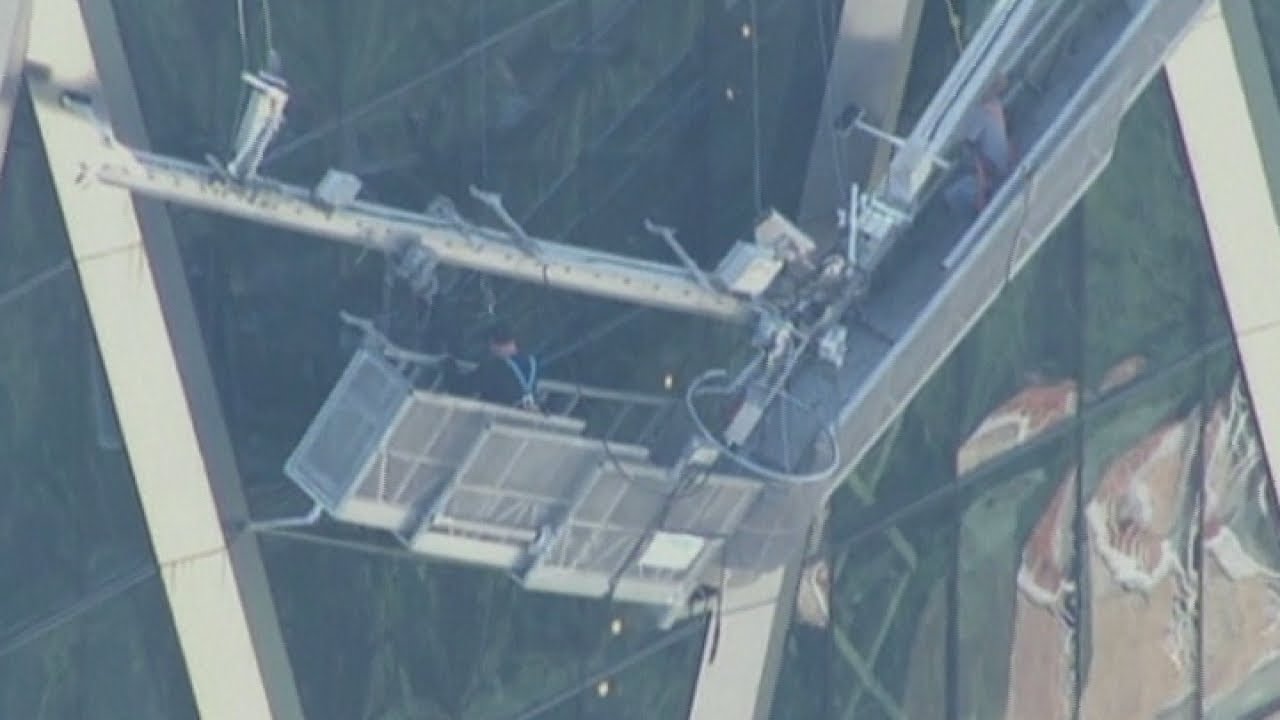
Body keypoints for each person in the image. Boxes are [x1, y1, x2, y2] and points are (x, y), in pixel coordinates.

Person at [455, 321, 541, 410]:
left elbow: (465, 387)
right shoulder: (532, 363)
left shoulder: (494, 367)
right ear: (513, 340)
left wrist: (450, 369)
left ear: (492, 342)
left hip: (501, 417)